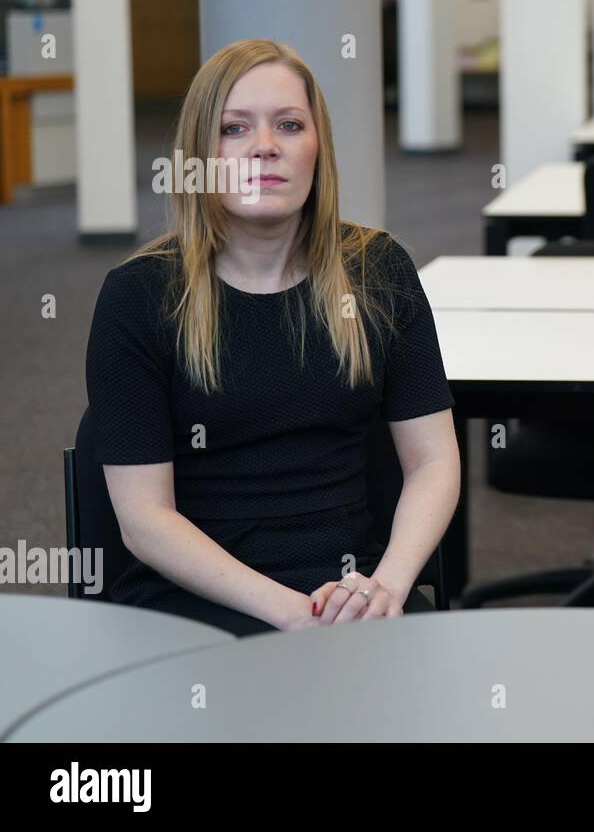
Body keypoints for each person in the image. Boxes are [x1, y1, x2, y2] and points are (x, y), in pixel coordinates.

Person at [86, 39, 460, 636]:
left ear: (318, 149)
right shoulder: (140, 296)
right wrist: (293, 614)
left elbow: (434, 460)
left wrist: (387, 586)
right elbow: (144, 518)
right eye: (235, 129)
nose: (266, 146)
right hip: (194, 604)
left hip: (352, 596)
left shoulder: (379, 271)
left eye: (289, 124)